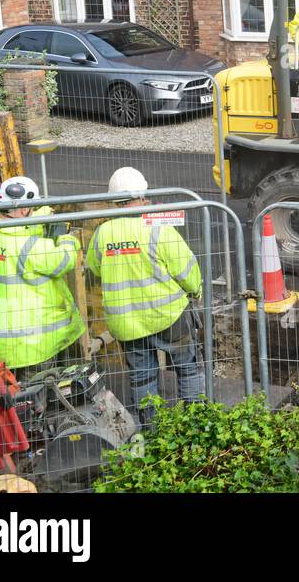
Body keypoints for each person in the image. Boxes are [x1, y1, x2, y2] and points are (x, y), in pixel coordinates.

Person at [86, 167, 204, 425]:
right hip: (168, 315)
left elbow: (94, 268)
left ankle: (153, 429)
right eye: (145, 196)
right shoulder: (156, 229)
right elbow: (186, 269)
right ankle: (196, 422)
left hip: (128, 324)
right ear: (139, 197)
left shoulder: (103, 233)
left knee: (142, 376)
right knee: (187, 367)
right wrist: (197, 291)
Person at [0, 175, 85, 377]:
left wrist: (38, 213)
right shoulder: (30, 246)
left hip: (5, 341)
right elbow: (64, 260)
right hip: (37, 342)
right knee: (40, 398)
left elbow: (18, 228)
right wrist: (66, 238)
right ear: (24, 210)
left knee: (20, 399)